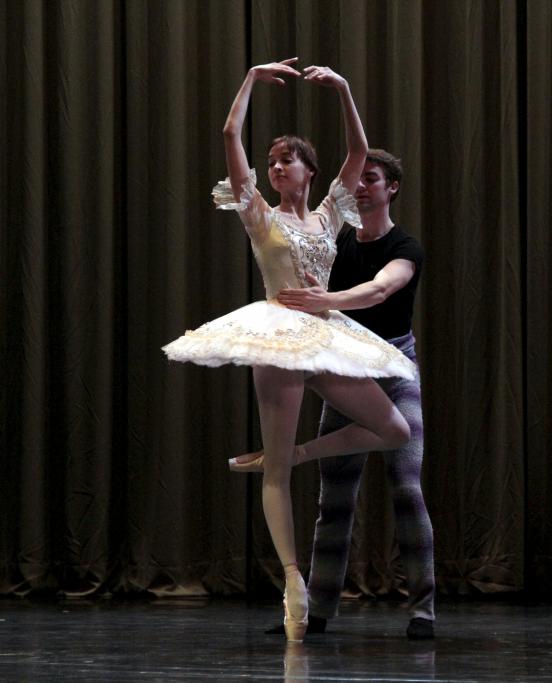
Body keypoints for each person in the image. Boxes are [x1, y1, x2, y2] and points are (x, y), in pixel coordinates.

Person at [162, 59, 417, 643]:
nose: (276, 167)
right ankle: (293, 578)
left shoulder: (330, 214)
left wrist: (346, 90)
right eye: (272, 161)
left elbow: (360, 149)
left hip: (325, 334)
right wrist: (250, 79)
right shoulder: (259, 214)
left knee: (395, 429)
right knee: (274, 472)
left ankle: (302, 452)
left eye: (286, 160)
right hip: (278, 335)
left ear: (308, 171)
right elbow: (230, 136)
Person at [235, 149, 436, 640]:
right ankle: (317, 610)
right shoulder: (336, 241)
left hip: (394, 368)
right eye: (359, 179)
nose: (362, 186)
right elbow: (305, 270)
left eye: (374, 179)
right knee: (335, 498)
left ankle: (423, 610)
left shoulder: (404, 245)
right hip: (345, 365)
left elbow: (381, 289)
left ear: (391, 188)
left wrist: (329, 300)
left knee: (407, 487)